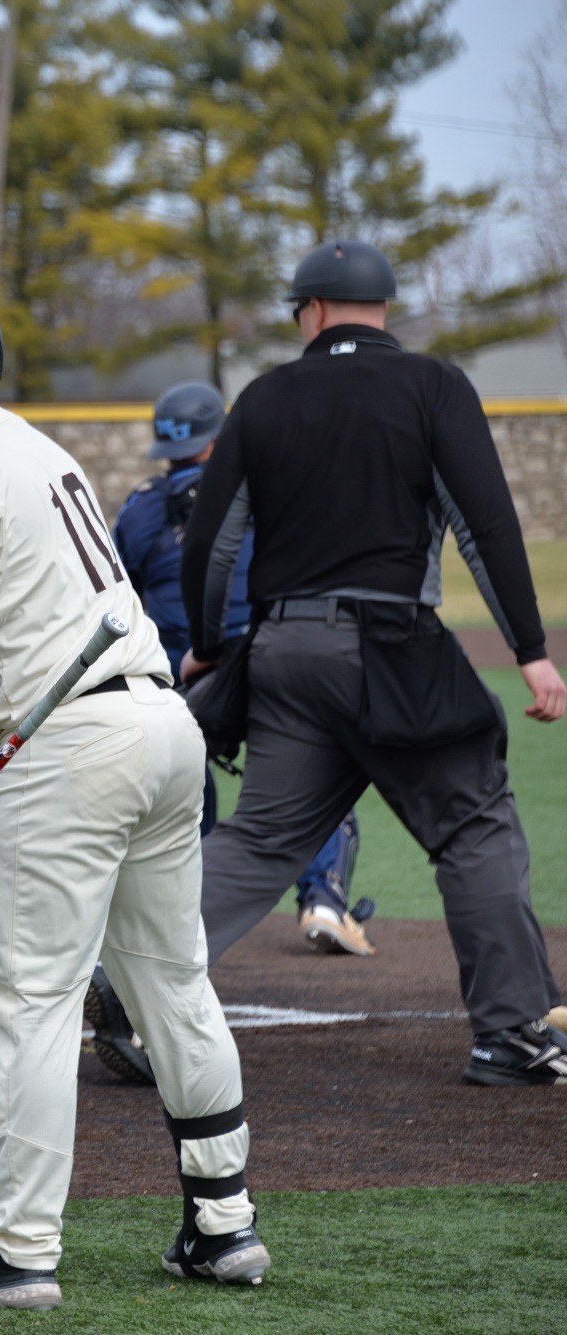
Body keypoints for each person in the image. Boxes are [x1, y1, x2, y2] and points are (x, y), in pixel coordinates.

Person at [0, 267, 263, 1310]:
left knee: (31, 1002)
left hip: (68, 750)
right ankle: (222, 1227)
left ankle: (22, 1250)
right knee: (172, 981)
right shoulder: (40, 449)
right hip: (157, 728)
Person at [178, 239, 567, 1086]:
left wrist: (210, 648)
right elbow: (485, 523)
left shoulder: (265, 397)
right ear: (383, 309)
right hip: (392, 645)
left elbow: (212, 544)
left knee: (260, 837)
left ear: (310, 313)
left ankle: (135, 991)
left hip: (282, 649)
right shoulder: (433, 385)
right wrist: (530, 652)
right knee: (472, 823)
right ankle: (510, 1031)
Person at [113, 383, 371, 956]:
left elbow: (112, 590)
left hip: (181, 675)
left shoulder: (142, 504)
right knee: (315, 783)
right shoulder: (267, 488)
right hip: (270, 659)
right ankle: (323, 899)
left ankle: (182, 908)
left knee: (185, 791)